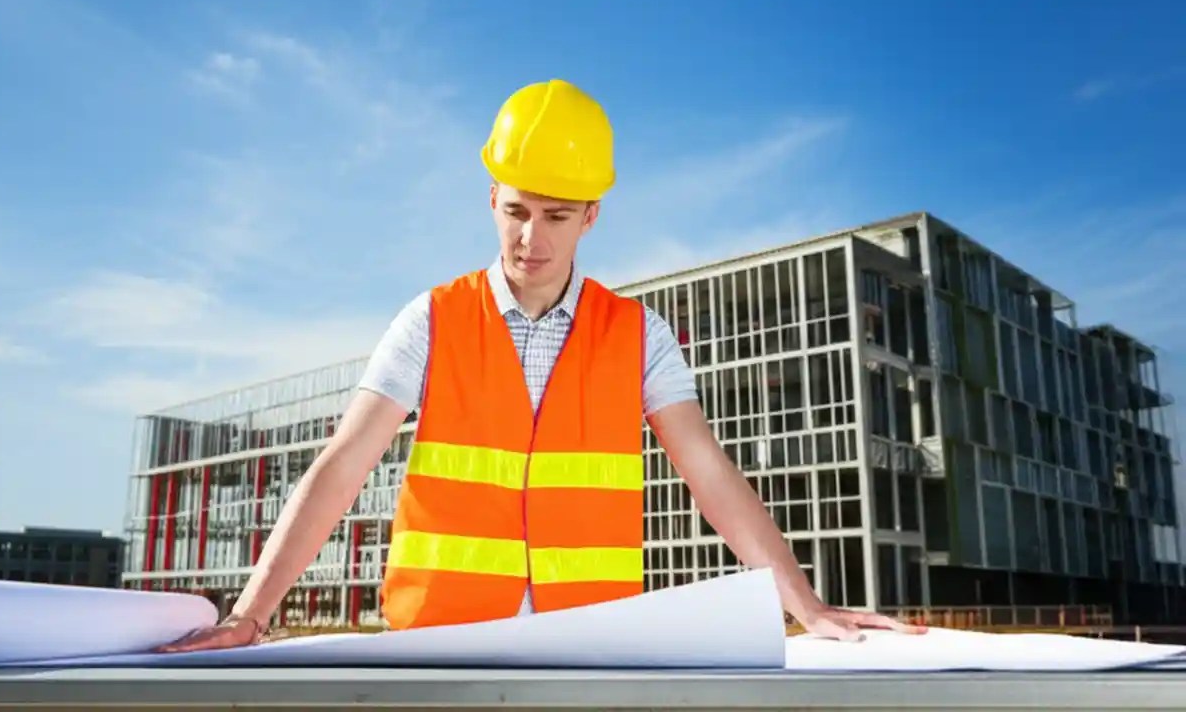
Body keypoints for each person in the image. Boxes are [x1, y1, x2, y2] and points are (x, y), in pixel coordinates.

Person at [156, 79, 925, 653]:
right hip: (438, 646)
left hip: (587, 647)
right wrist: (252, 612)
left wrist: (806, 605)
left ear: (592, 214)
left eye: (557, 217)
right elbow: (341, 465)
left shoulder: (638, 334)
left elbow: (710, 475)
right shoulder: (430, 319)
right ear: (491, 196)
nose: (532, 238)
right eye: (517, 211)